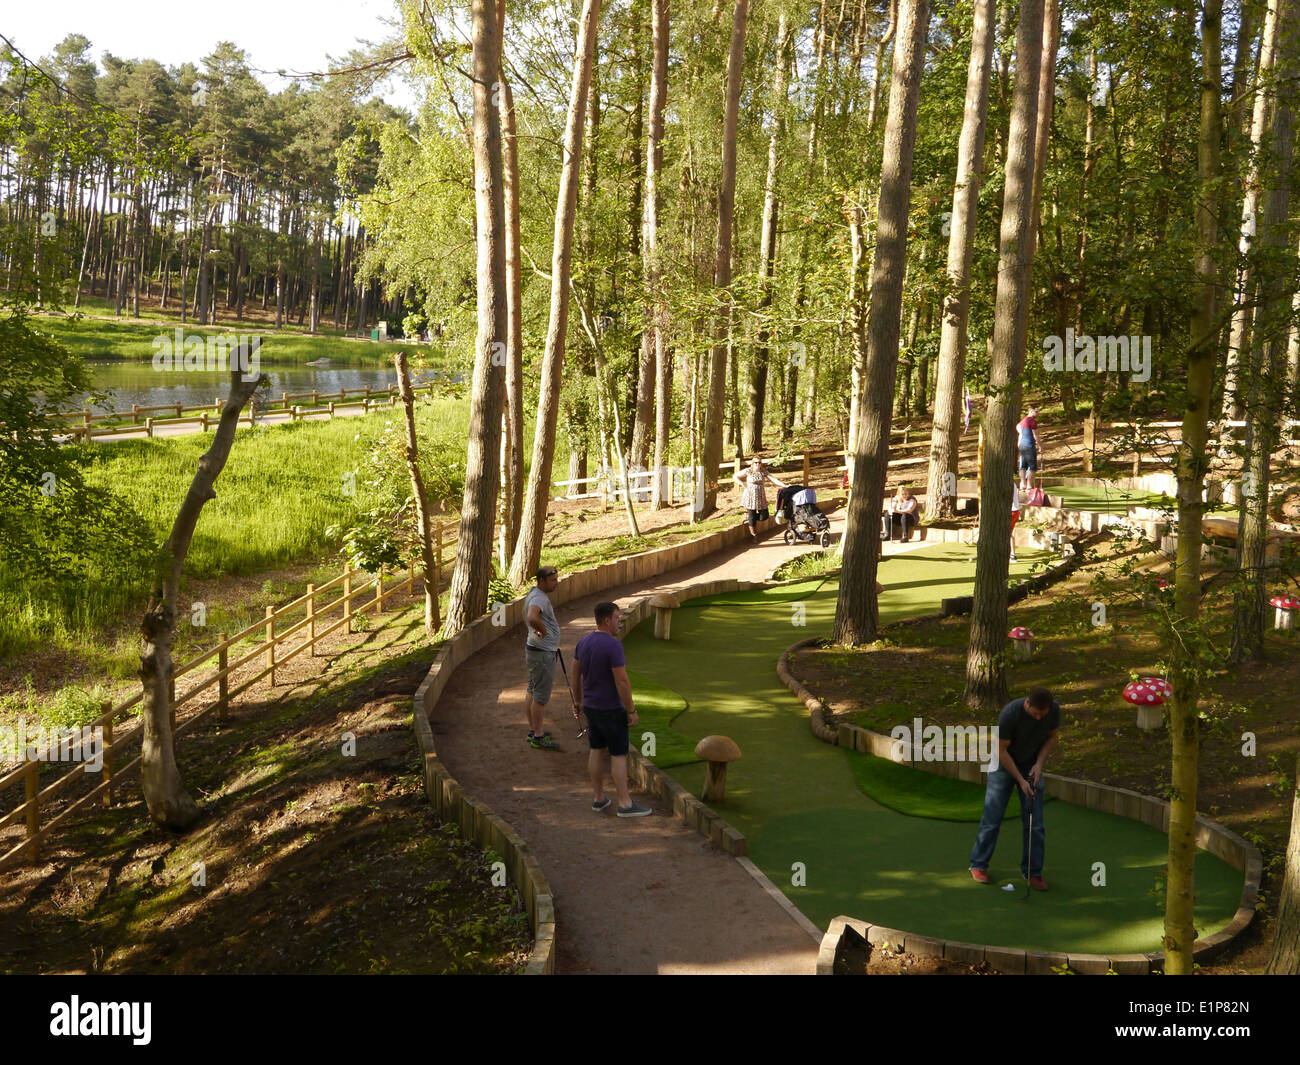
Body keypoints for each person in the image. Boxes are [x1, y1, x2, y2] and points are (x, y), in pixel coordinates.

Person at [968, 686, 1061, 890]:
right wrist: (1020, 780)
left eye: (1042, 715)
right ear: (1027, 703)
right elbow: (1001, 751)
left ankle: (1033, 872)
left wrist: (1038, 765)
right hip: (1003, 764)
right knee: (993, 816)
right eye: (1035, 713)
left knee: (1035, 823)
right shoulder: (1010, 713)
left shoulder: (1053, 710)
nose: (1038, 718)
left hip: (1031, 763)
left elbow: (1051, 737)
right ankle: (978, 864)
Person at [571, 601, 652, 817]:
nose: (619, 622)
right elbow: (622, 681)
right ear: (607, 621)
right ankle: (625, 804)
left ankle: (598, 798)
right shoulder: (613, 646)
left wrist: (578, 702)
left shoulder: (583, 642)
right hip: (611, 708)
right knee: (618, 754)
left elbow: (575, 676)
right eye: (617, 618)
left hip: (591, 707)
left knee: (596, 750)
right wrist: (632, 710)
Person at [524, 566, 562, 750]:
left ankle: (533, 730)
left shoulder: (534, 593)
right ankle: (538, 736)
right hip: (543, 654)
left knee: (532, 689)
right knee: (540, 696)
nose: (557, 583)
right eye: (553, 580)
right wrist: (545, 631)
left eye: (556, 579)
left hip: (535, 650)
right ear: (541, 581)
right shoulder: (538, 597)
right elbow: (532, 617)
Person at [734, 458, 787, 541]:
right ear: (752, 463)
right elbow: (735, 476)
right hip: (750, 496)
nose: (757, 464)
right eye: (755, 462)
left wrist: (784, 485)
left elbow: (773, 479)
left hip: (761, 496)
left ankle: (748, 516)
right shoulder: (748, 471)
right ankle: (754, 535)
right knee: (752, 516)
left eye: (759, 462)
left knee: (764, 516)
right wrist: (742, 483)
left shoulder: (763, 471)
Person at [1017, 407, 1042, 491]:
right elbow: (1036, 435)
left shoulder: (1023, 420)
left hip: (1022, 445)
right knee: (1033, 467)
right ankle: (1029, 485)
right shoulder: (1032, 421)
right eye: (1036, 411)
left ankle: (1023, 484)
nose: (1038, 413)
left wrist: (1020, 436)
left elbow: (1018, 427)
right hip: (1029, 445)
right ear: (1031, 411)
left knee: (1023, 465)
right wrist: (1040, 447)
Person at [1010, 479, 1021, 563]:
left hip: (1012, 511)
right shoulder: (1012, 482)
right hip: (1015, 511)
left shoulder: (1008, 483)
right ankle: (1011, 554)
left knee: (1007, 534)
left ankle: (1012, 555)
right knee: (1008, 533)